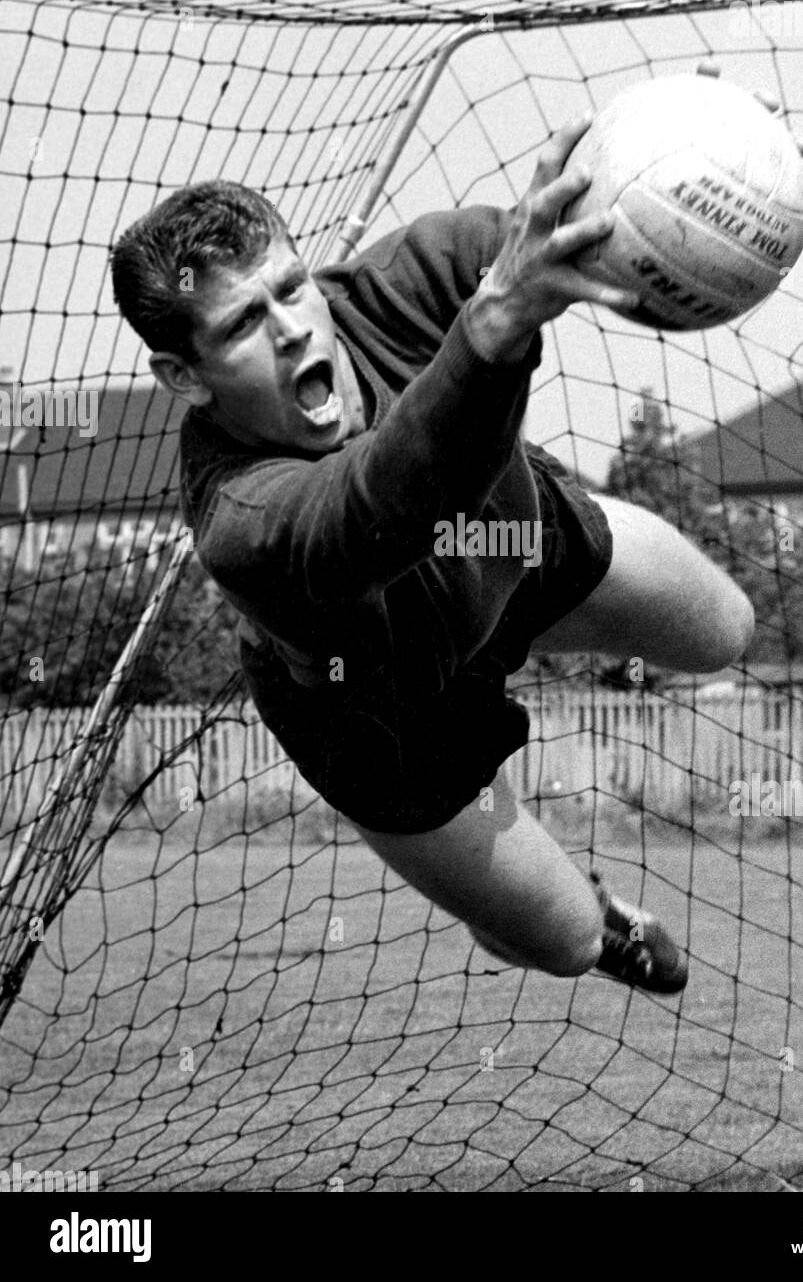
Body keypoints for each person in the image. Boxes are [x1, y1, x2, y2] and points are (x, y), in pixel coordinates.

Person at [110, 118, 754, 995]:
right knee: (562, 943)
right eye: (241, 327)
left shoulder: (394, 286)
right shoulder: (240, 522)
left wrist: (691, 159)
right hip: (391, 718)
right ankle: (590, 912)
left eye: (291, 288)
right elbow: (384, 502)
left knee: (726, 628)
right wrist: (493, 325)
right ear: (183, 377)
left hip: (513, 547)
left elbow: (544, 235)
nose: (293, 329)